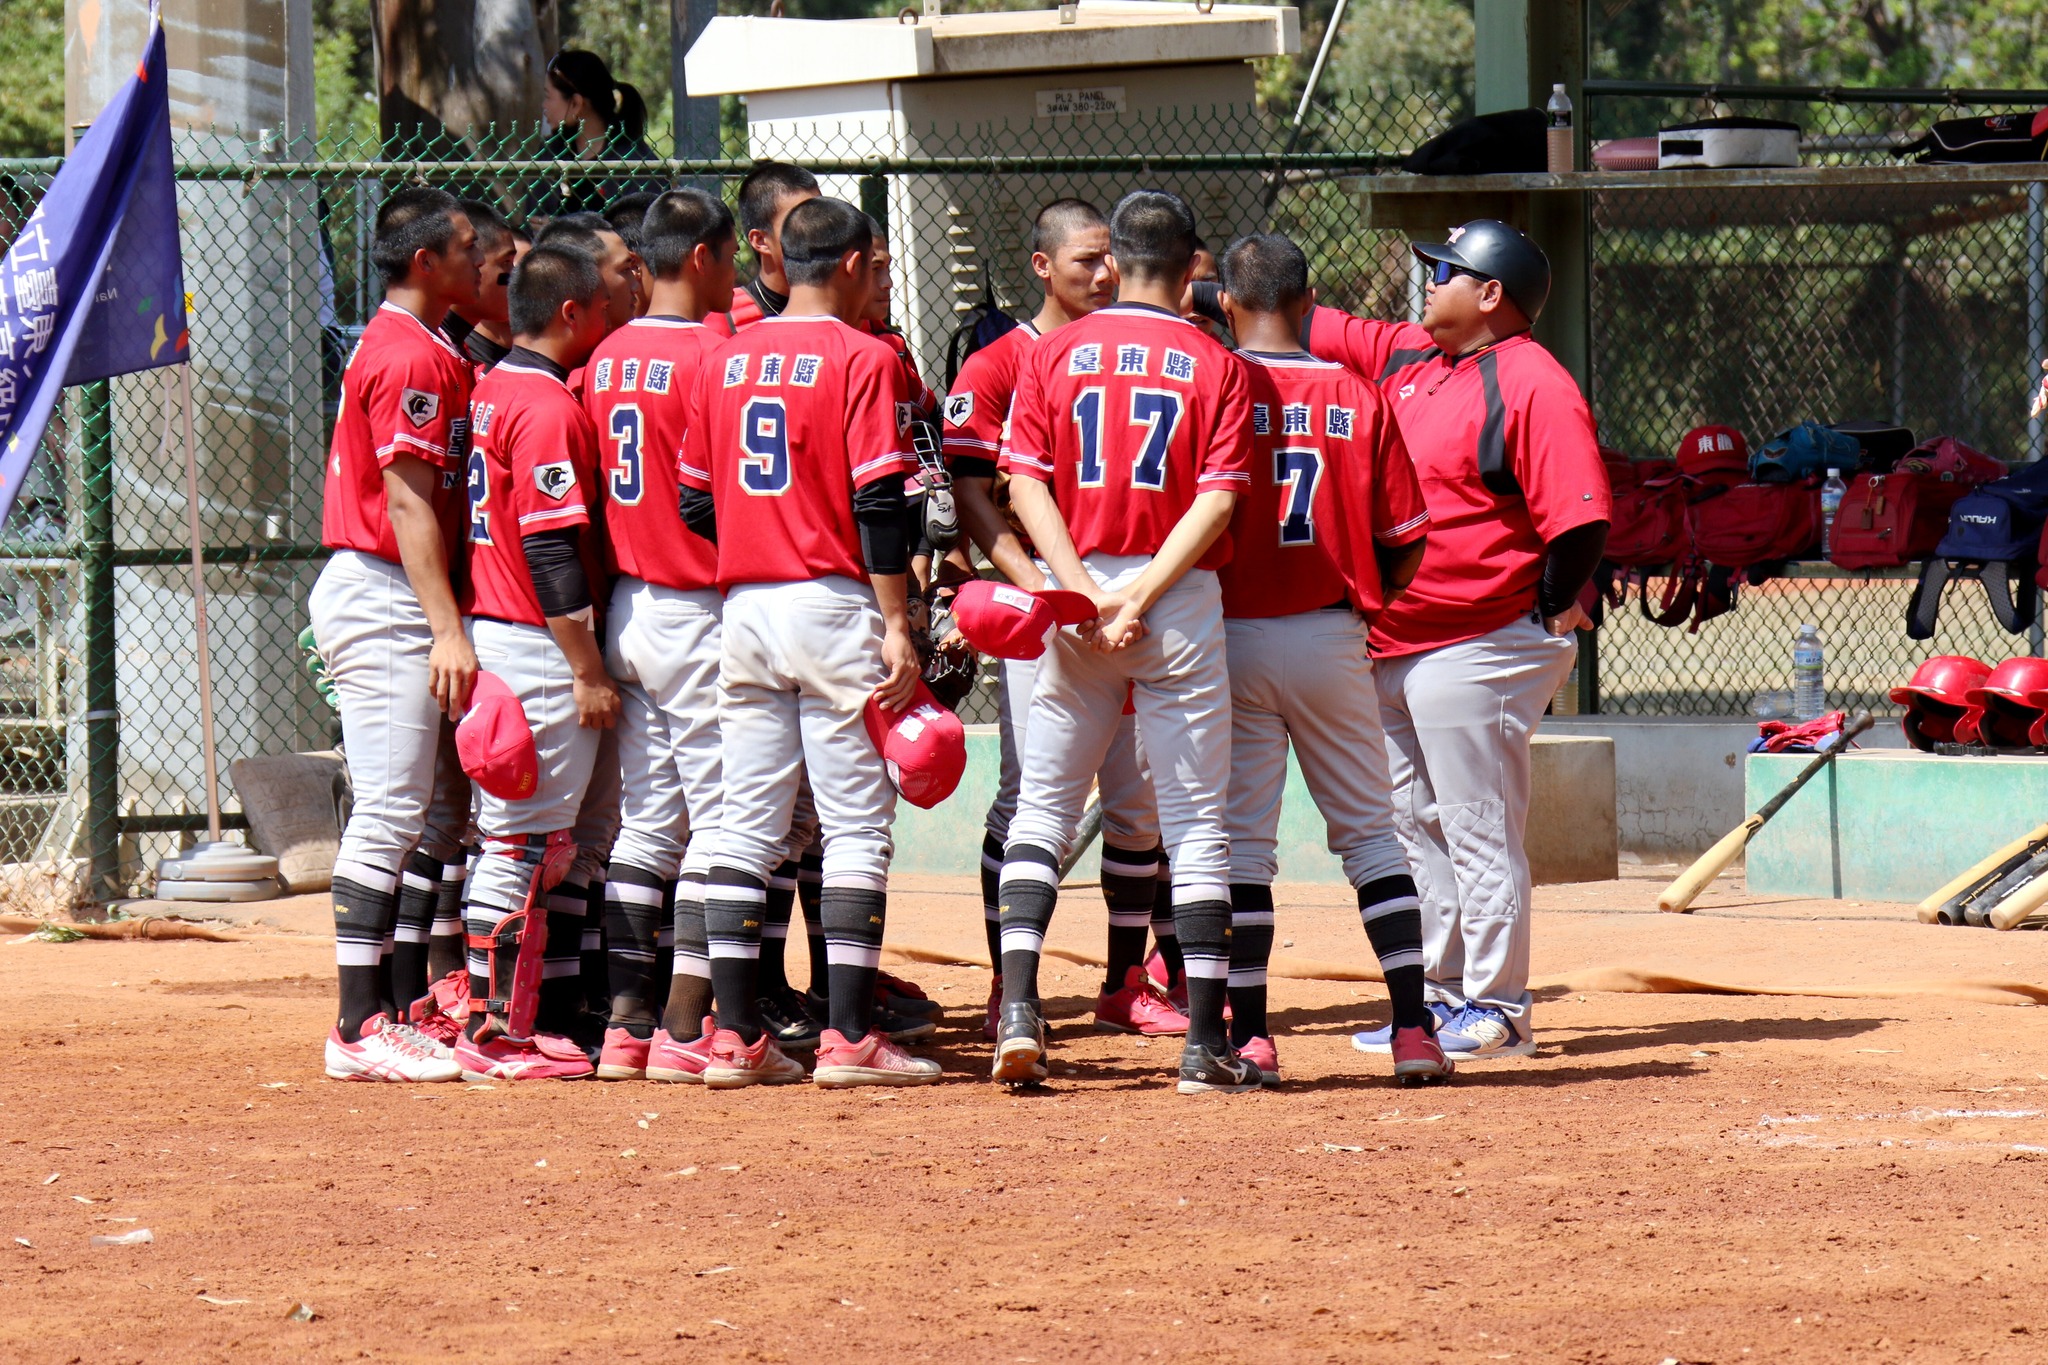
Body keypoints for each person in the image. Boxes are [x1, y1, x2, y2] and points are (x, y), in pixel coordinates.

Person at [1295, 221, 1609, 1062]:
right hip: (1396, 641)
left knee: (1477, 827)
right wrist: (1199, 288)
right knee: (1412, 828)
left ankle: (1500, 1006)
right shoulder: (1413, 355)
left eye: (1445, 270)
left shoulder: (1533, 381)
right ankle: (1436, 998)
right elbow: (1302, 317)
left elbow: (1580, 519)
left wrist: (1548, 606)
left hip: (1481, 641)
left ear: (1491, 293)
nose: (1429, 280)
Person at [993, 188, 1258, 1094]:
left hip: (1078, 597)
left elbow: (1024, 484)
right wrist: (1139, 593)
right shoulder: (1214, 359)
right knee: (1196, 824)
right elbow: (1218, 499)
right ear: (1190, 268)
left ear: (1115, 261)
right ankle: (1204, 1045)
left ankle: (1018, 1008)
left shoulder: (1054, 349)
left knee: (1042, 810)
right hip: (1174, 599)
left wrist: (1083, 591)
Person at [677, 196, 941, 1088]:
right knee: (856, 824)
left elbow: (695, 501)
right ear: (856, 263)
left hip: (745, 607)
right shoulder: (864, 356)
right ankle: (850, 1038)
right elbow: (879, 502)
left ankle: (735, 1039)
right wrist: (896, 620)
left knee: (745, 825)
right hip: (833, 600)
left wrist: (766, 534)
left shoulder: (725, 356)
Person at [941, 198, 1187, 1041]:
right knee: (1027, 796)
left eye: (1111, 256)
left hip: (1130, 600)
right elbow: (972, 491)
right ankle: (1009, 986)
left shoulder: (1135, 351)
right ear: (1042, 267)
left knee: (1137, 795)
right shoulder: (1000, 360)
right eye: (1087, 258)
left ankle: (1126, 981)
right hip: (1044, 604)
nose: (1105, 272)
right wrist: (1041, 586)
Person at [1209, 233, 1450, 1088]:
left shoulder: (1214, 381)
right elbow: (1407, 539)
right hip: (1331, 632)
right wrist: (1370, 596)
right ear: (1309, 303)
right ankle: (1414, 1029)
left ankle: (1253, 1037)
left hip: (1230, 634)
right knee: (1372, 837)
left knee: (1242, 848)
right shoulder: (1357, 390)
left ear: (1226, 304)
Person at [313, 187, 481, 1084]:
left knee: (406, 809)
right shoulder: (410, 351)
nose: (478, 258)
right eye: (465, 247)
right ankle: (356, 1025)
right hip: (386, 590)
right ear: (426, 262)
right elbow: (410, 504)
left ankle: (382, 1011)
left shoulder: (424, 343)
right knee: (388, 810)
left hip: (393, 587)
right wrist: (447, 627)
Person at [579, 188, 739, 1082]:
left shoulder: (605, 355)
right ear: (703, 258)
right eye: (728, 257)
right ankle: (683, 1024)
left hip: (628, 606)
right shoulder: (715, 352)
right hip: (696, 604)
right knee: (721, 820)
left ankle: (627, 1023)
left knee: (646, 821)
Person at [452, 243, 621, 1082]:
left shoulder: (493, 386)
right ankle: (495, 1033)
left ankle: (519, 1020)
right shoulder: (546, 403)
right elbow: (552, 550)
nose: (611, 313)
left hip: (503, 632)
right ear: (570, 313)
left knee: (526, 842)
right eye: (602, 303)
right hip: (538, 643)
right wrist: (587, 667)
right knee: (520, 846)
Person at [530, 50, 662, 220]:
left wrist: (560, 229)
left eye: (548, 97)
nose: (544, 105)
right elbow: (531, 217)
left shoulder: (634, 158)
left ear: (576, 104)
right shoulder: (551, 152)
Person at [717, 162, 820, 332]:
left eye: (821, 217)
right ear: (760, 241)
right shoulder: (727, 322)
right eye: (799, 222)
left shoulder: (850, 312)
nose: (818, 231)